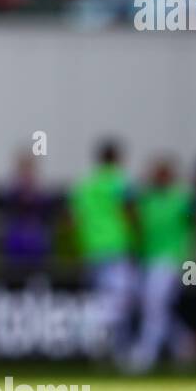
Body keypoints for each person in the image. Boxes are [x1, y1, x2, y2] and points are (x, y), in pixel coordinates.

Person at [124, 157, 196, 374]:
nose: (159, 177)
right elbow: (128, 200)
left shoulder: (182, 199)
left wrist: (192, 266)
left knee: (153, 304)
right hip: (149, 260)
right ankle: (183, 342)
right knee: (156, 305)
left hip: (176, 261)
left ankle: (145, 354)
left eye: (163, 173)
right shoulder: (147, 200)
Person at [68, 138, 138, 363]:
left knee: (100, 300)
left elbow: (73, 220)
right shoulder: (120, 183)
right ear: (116, 158)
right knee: (119, 301)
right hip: (116, 249)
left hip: (91, 249)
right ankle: (110, 346)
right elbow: (130, 213)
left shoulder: (84, 185)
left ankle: (101, 345)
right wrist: (136, 241)